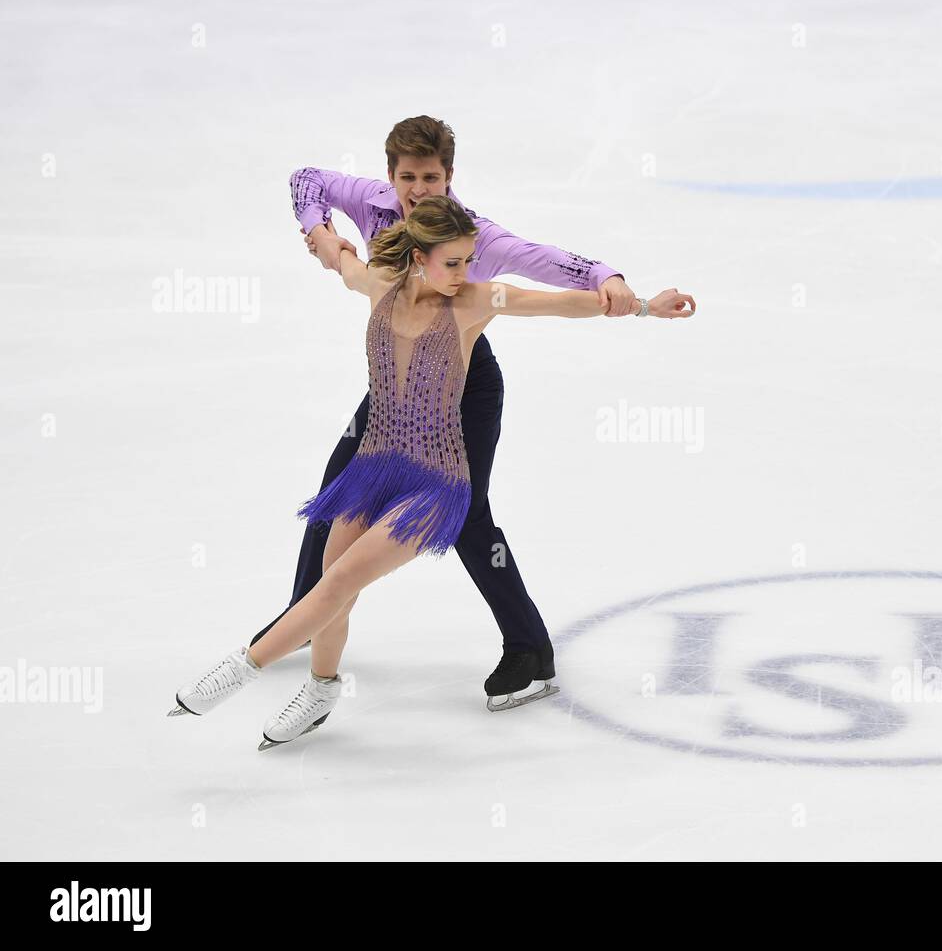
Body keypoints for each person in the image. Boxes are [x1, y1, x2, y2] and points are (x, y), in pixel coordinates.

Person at [171, 195, 695, 749]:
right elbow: (341, 262)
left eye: (469, 260)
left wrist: (640, 306)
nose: (464, 273)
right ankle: (322, 690)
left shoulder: (473, 301)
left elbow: (558, 304)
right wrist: (323, 235)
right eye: (453, 262)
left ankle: (235, 671)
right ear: (418, 257)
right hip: (373, 467)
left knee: (343, 580)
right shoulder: (378, 285)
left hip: (436, 484)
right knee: (333, 586)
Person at [252, 115, 641, 710]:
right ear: (390, 176)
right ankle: (311, 609)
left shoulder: (471, 234)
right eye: (408, 176)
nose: (418, 189)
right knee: (338, 489)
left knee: (466, 518)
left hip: (465, 381)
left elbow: (541, 262)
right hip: (398, 381)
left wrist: (605, 277)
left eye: (431, 177)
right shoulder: (374, 201)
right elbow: (306, 180)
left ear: (449, 175)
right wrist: (323, 235)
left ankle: (530, 651)